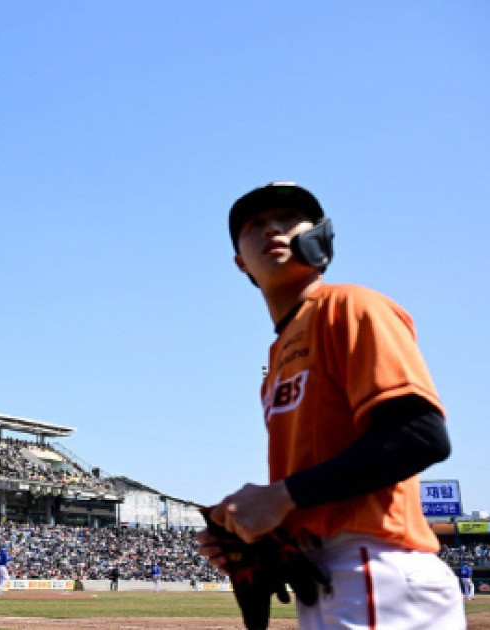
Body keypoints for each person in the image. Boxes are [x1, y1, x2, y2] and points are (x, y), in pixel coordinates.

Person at [196, 182, 465, 629]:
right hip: (331, 575)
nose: (273, 229)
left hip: (377, 567)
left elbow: (418, 437)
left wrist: (280, 497)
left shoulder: (351, 305)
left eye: (288, 218)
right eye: (255, 224)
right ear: (240, 263)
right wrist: (264, 533)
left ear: (320, 238)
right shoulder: (278, 354)